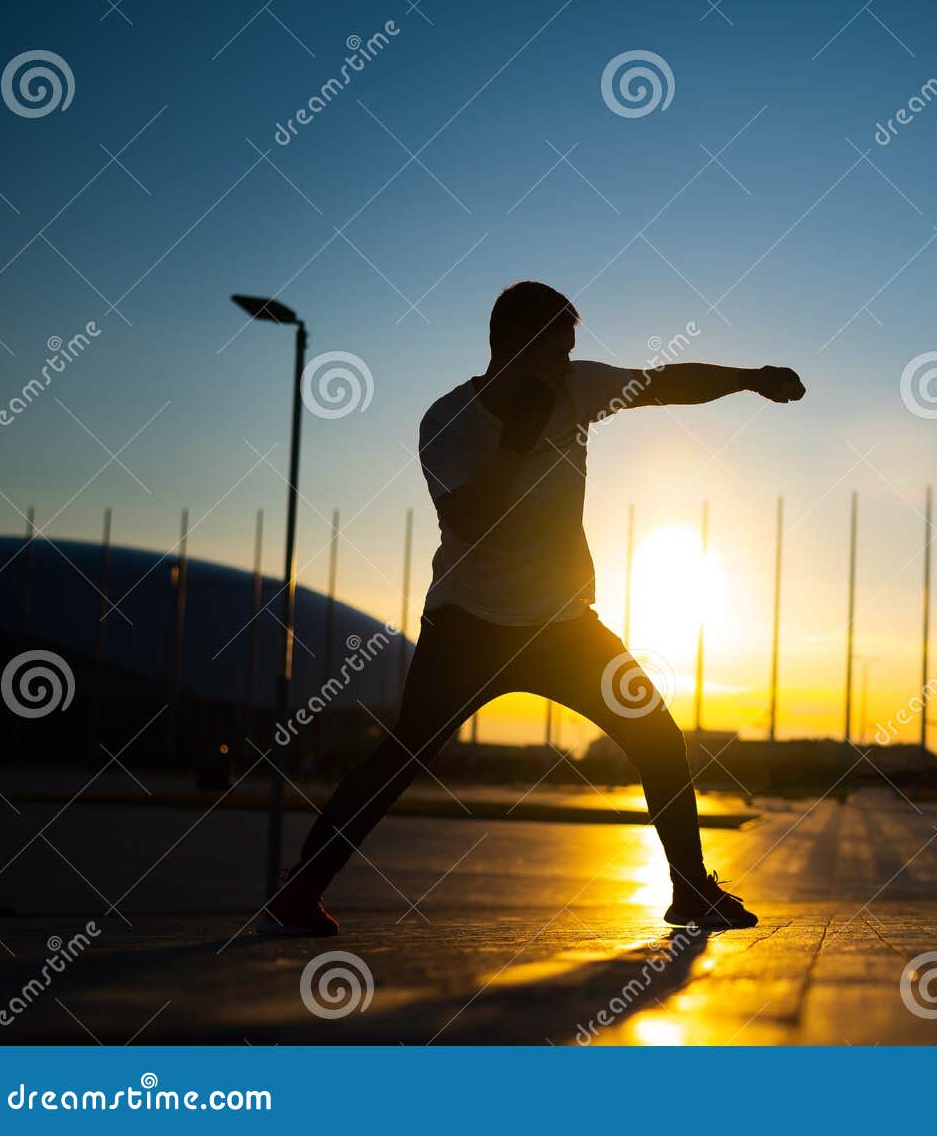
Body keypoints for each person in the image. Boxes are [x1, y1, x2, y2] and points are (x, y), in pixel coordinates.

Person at [259, 281, 804, 936]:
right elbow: (470, 519)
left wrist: (750, 378)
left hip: (564, 626)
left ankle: (690, 891)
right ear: (511, 349)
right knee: (405, 753)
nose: (564, 368)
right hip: (469, 625)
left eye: (569, 355)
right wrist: (517, 443)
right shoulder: (448, 422)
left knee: (656, 734)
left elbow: (663, 382)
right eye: (553, 354)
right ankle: (299, 892)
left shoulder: (574, 389)